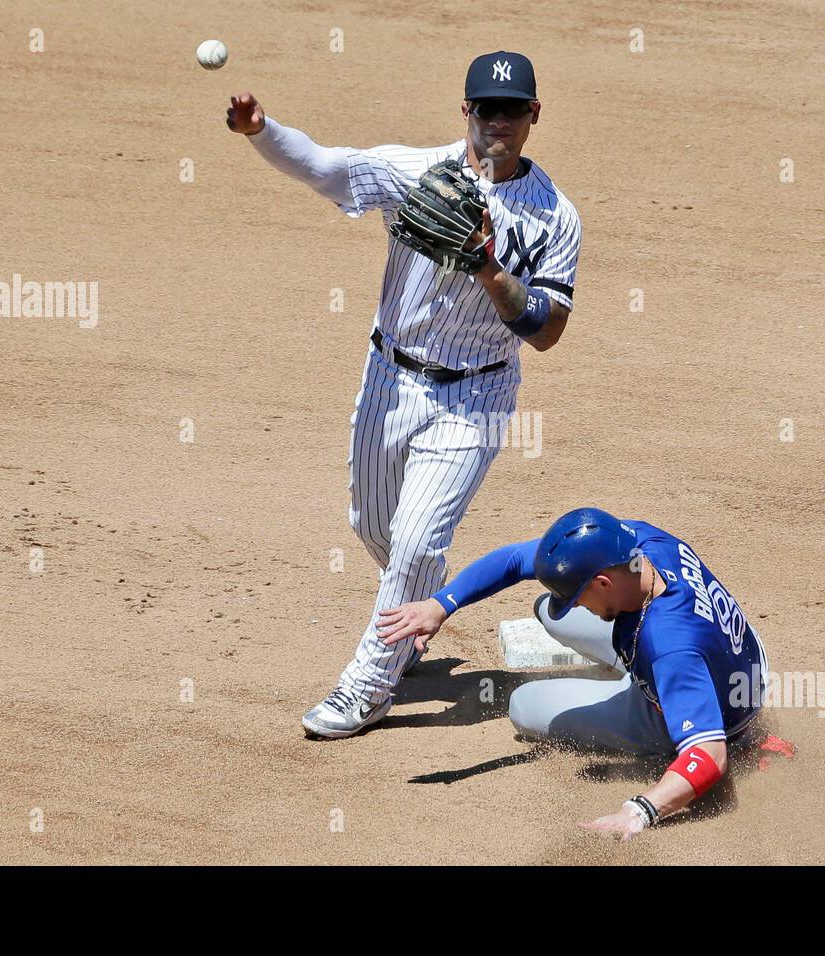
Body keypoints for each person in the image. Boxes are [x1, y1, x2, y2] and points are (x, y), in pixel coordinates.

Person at [225, 51, 582, 737]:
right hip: (389, 377)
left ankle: (366, 687)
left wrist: (486, 267)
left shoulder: (555, 218)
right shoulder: (413, 170)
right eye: (485, 108)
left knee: (417, 542)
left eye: (511, 109)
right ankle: (419, 603)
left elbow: (547, 331)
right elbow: (326, 167)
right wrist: (261, 131)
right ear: (466, 111)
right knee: (374, 527)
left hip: (475, 396)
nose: (497, 121)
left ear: (534, 114)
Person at [376, 508, 772, 841]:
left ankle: (746, 743)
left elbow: (708, 755)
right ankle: (622, 668)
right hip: (736, 655)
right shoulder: (640, 542)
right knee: (549, 608)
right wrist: (442, 604)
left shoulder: (669, 648)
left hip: (712, 710)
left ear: (603, 581)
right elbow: (516, 560)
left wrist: (641, 810)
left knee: (522, 706)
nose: (577, 604)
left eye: (581, 595)